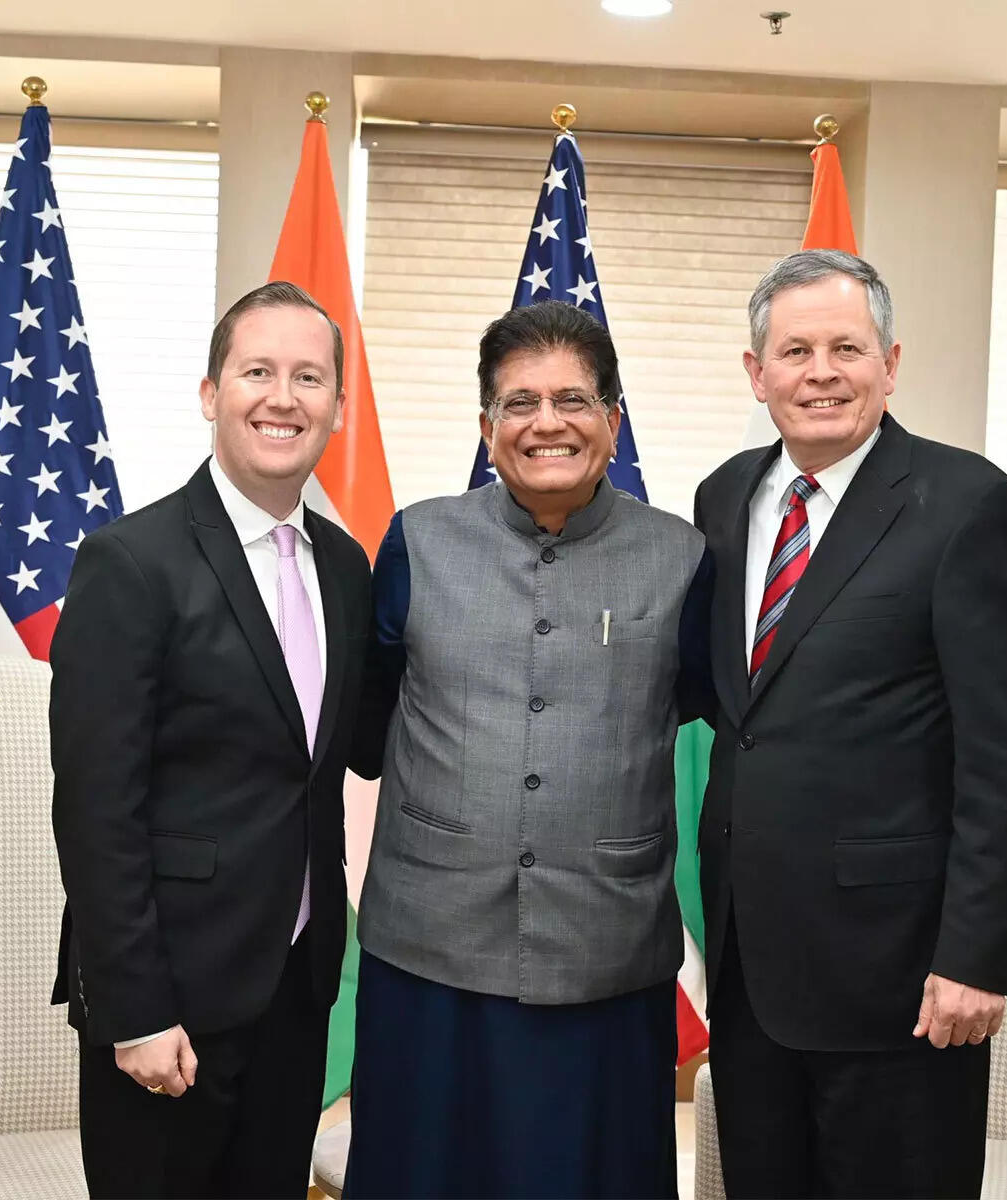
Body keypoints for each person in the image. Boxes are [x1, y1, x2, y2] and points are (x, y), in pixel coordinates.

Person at [693, 250, 1007, 1199]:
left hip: (899, 983)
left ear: (890, 363)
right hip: (748, 965)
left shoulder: (968, 505)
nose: (821, 372)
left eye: (846, 347)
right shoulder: (724, 499)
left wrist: (976, 960)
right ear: (756, 372)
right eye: (796, 349)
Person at [343, 300, 713, 1199]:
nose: (547, 422)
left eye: (574, 399)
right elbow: (365, 717)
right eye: (519, 403)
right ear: (486, 427)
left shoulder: (685, 558)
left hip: (606, 955)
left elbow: (706, 707)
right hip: (429, 949)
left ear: (612, 421)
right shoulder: (418, 541)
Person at [48, 281, 371, 1198]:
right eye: (257, 371)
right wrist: (134, 1009)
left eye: (309, 377)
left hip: (298, 992)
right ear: (210, 394)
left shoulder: (346, 569)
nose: (284, 397)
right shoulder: (132, 561)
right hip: (172, 1004)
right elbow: (96, 809)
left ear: (338, 408)